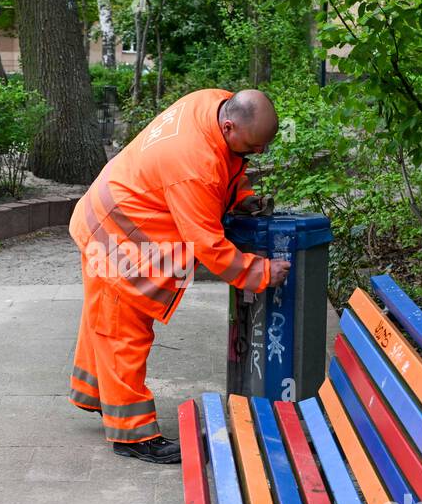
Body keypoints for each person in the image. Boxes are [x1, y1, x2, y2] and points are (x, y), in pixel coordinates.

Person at [68, 88, 290, 464]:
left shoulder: (211, 103)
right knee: (123, 332)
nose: (258, 154)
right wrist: (260, 272)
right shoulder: (194, 166)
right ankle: (132, 433)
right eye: (253, 146)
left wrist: (240, 195)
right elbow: (207, 244)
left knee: (103, 321)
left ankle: (96, 394)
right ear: (230, 124)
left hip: (106, 217)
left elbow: (226, 162)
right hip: (119, 242)